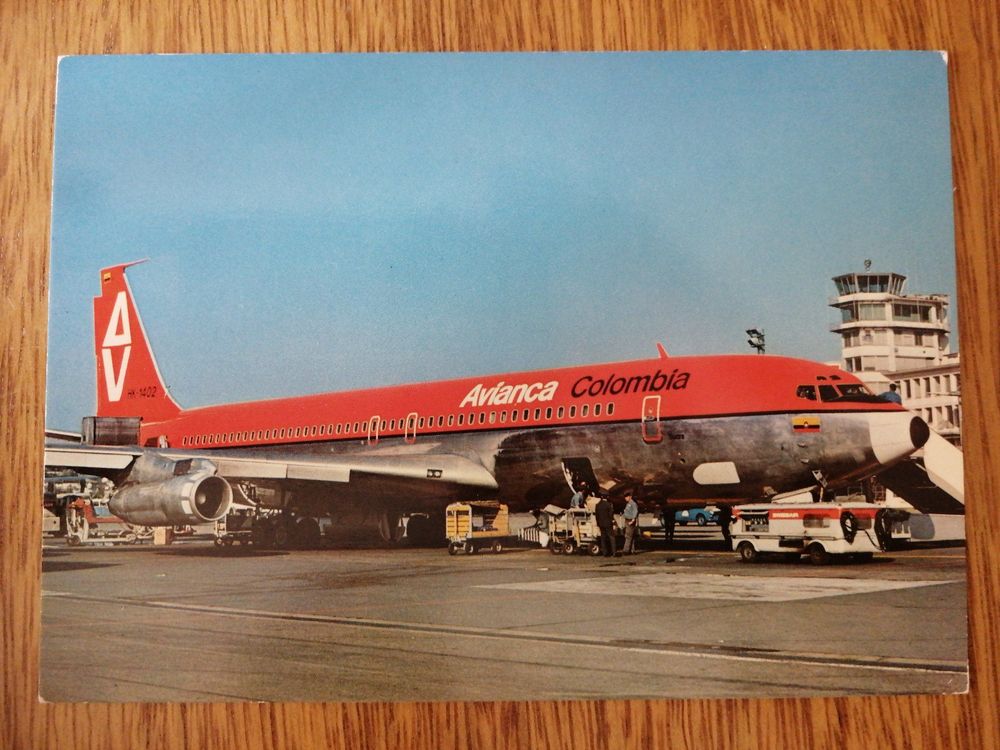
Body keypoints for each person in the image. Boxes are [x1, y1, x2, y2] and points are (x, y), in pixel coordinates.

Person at [594, 493, 616, 557]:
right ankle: (614, 552)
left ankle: (605, 552)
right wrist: (612, 521)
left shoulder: (597, 505)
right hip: (608, 523)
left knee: (603, 538)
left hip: (601, 524)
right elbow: (611, 514)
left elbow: (597, 516)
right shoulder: (609, 504)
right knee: (612, 537)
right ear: (607, 497)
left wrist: (598, 523)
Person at [621, 490, 639, 554]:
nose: (625, 498)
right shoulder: (628, 504)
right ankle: (632, 550)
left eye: (626, 497)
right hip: (627, 520)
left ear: (630, 497)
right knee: (631, 536)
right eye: (625, 497)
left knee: (628, 536)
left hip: (630, 521)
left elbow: (635, 512)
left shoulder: (633, 504)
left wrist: (633, 520)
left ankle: (626, 550)